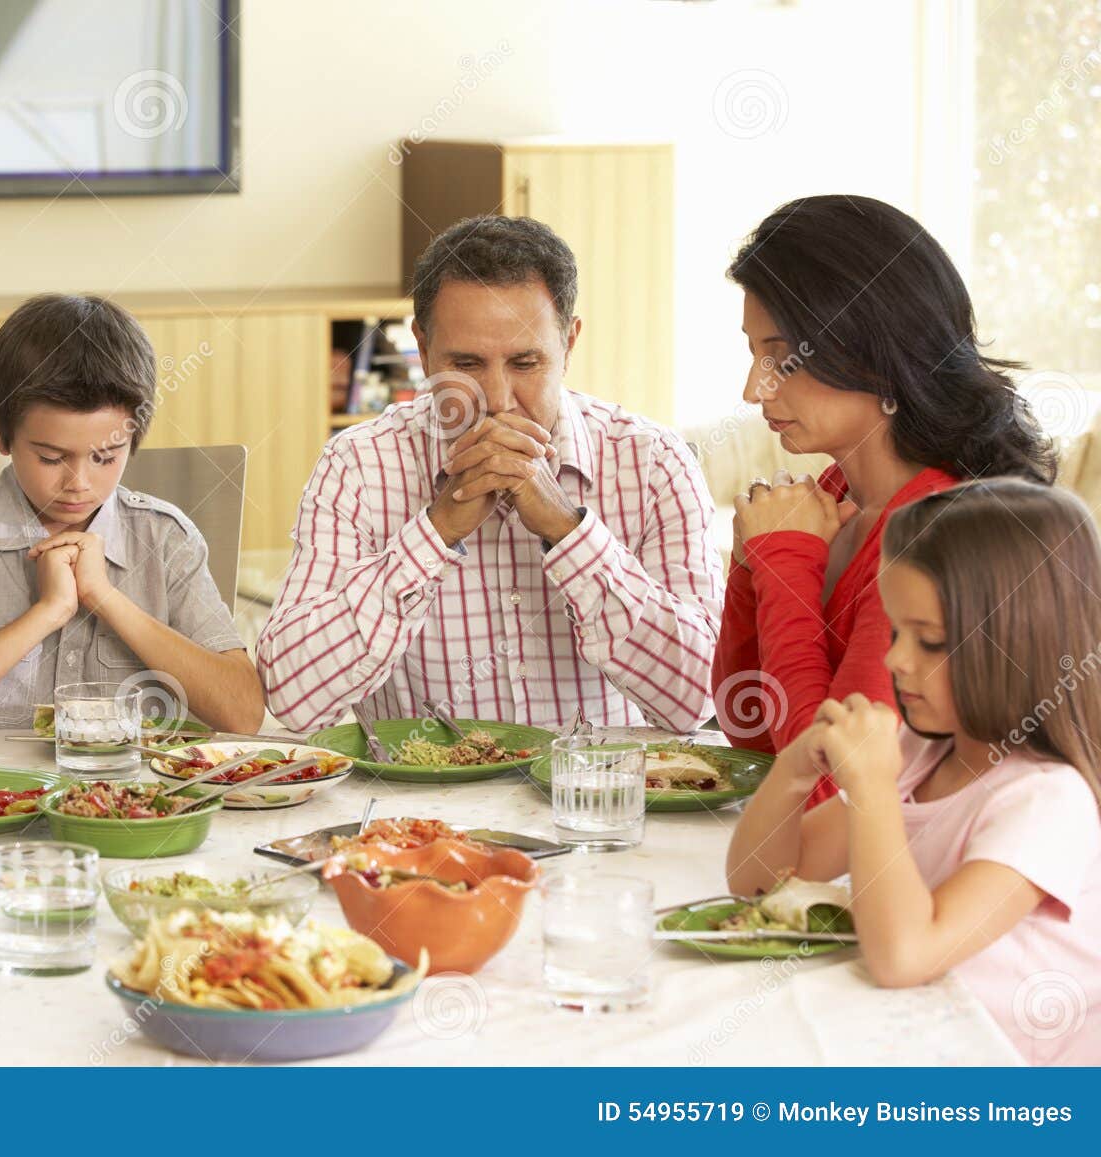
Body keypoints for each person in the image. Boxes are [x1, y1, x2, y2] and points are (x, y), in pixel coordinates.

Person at [258, 215, 721, 733]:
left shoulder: (654, 462)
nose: (497, 400)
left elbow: (697, 698)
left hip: (596, 804)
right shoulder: (358, 465)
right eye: (468, 365)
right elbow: (293, 698)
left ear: (569, 344)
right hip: (417, 810)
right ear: (424, 349)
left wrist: (569, 532)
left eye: (525, 364)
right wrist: (434, 533)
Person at [726, 479, 1100, 1066]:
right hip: (909, 1046)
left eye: (930, 642)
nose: (894, 659)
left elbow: (903, 957)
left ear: (1019, 645)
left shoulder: (1046, 801)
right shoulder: (923, 753)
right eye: (897, 632)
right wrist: (798, 765)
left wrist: (871, 791)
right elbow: (762, 883)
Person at [712, 195, 1055, 804]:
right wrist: (751, 570)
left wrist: (784, 563)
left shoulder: (937, 530)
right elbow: (749, 739)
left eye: (782, 357)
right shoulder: (830, 500)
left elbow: (829, 789)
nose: (753, 388)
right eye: (753, 353)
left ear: (875, 351)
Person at [0, 294, 262, 733]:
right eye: (49, 457)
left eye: (105, 457)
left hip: (131, 794)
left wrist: (104, 597)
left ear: (134, 438)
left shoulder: (164, 537)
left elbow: (242, 714)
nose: (78, 483)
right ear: (2, 435)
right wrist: (49, 611)